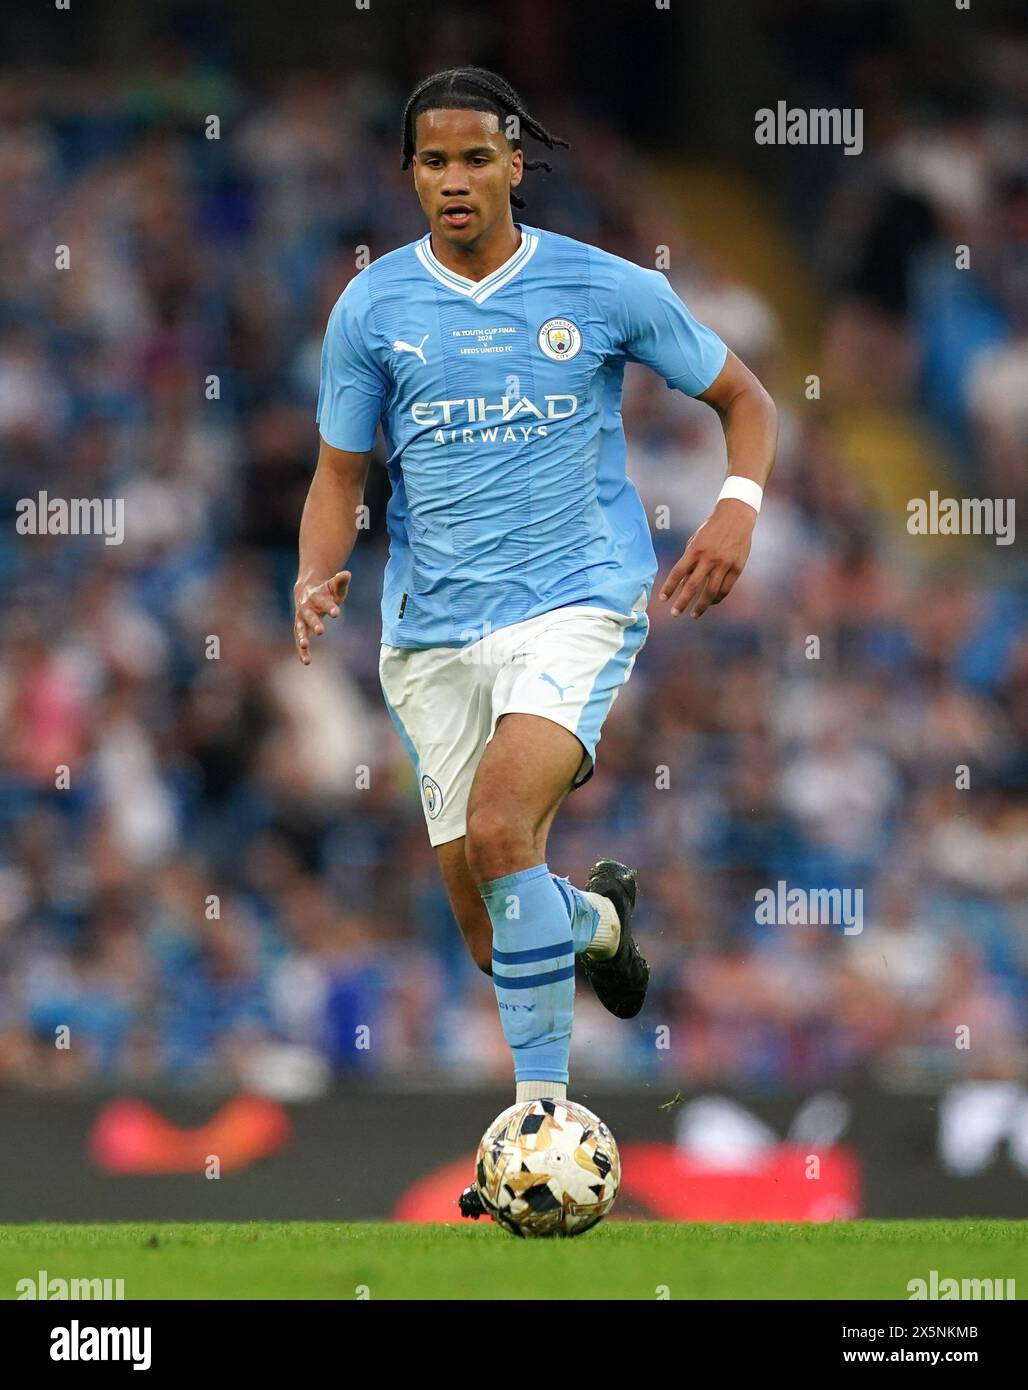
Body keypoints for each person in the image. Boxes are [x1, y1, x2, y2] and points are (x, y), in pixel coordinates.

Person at [293, 66, 777, 1215]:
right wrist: (315, 570)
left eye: (474, 158)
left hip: (575, 599)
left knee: (507, 823)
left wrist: (734, 508)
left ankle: (540, 1121)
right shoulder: (371, 309)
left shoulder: (601, 286)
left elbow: (746, 399)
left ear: (515, 164)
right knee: (489, 930)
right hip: (429, 634)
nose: (452, 180)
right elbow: (336, 473)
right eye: (431, 161)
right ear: (408, 174)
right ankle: (598, 920)